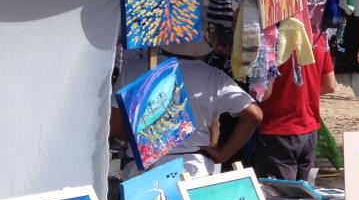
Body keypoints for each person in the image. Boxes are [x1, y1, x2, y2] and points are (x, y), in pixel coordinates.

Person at [111, 35, 263, 180]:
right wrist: (223, 153)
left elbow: (114, 127)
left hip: (144, 172)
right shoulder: (213, 76)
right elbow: (254, 115)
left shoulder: (135, 69)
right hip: (194, 171)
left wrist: (138, 137)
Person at [253, 26, 336, 181]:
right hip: (309, 129)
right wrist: (304, 94)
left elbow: (264, 93)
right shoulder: (318, 37)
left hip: (278, 129)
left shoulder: (271, 39)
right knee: (303, 198)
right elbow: (330, 85)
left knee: (280, 197)